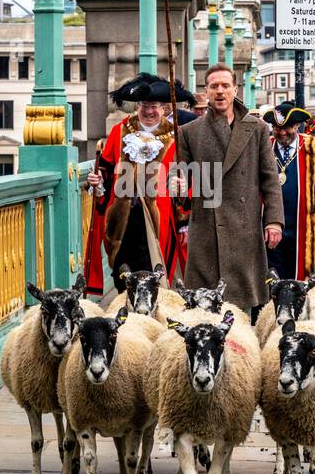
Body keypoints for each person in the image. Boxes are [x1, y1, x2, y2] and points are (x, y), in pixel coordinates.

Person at [175, 64, 284, 318]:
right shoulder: (189, 132)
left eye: (226, 85)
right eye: (214, 86)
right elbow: (178, 175)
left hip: (244, 229)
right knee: (204, 311)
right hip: (206, 231)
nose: (220, 91)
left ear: (235, 89)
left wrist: (274, 221)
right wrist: (177, 184)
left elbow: (270, 179)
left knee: (240, 310)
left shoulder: (257, 128)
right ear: (206, 92)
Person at [82, 73, 194, 296]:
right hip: (123, 218)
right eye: (144, 105)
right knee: (122, 276)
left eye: (154, 105)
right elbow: (104, 169)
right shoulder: (120, 131)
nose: (149, 111)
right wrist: (96, 180)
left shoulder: (178, 137)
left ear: (163, 107)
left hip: (158, 221)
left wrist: (182, 189)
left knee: (154, 276)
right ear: (137, 106)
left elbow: (188, 178)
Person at [262, 102, 315, 281]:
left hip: (307, 227)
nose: (282, 132)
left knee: (304, 281)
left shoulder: (312, 148)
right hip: (271, 225)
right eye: (277, 128)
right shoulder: (265, 147)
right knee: (272, 277)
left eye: (287, 127)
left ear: (297, 125)